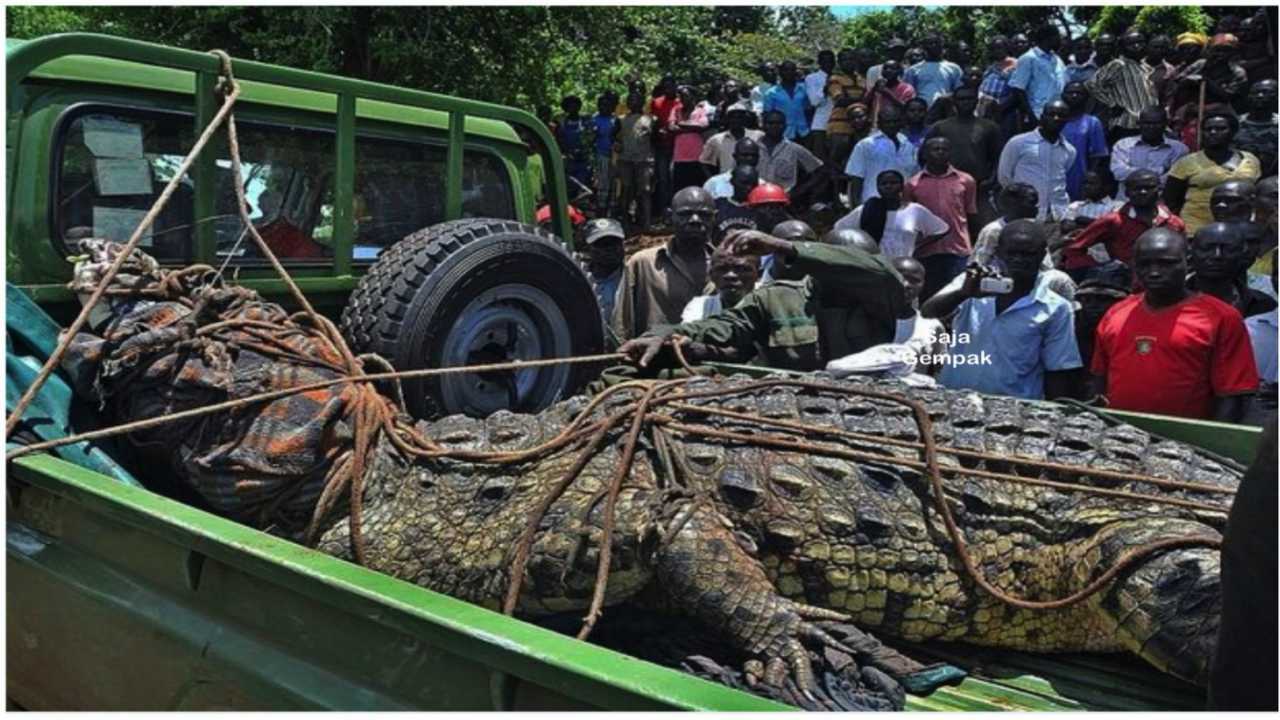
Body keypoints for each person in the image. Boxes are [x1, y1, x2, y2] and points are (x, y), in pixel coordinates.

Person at [617, 228, 907, 372]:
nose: (848, 278)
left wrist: (783, 246)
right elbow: (726, 326)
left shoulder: (882, 295)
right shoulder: (776, 296)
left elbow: (882, 273)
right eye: (839, 269)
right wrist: (668, 333)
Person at [1090, 227, 1258, 421]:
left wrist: (1215, 443)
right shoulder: (1116, 313)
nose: (1154, 272)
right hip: (1120, 438)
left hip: (1185, 442)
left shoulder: (1222, 317)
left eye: (1166, 263)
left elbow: (1232, 395)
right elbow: (1100, 378)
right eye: (1145, 264)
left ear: (1188, 261)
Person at [921, 219, 1082, 400]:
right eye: (1011, 253)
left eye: (1027, 254)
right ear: (998, 253)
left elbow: (1057, 370)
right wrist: (963, 294)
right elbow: (927, 312)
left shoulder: (1056, 308)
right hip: (954, 399)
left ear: (1041, 255)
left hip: (1015, 409)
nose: (1018, 260)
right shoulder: (970, 283)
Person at [611, 187, 716, 340]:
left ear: (715, 218)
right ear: (669, 217)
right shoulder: (643, 263)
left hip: (712, 359)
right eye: (685, 214)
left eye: (704, 215)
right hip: (654, 359)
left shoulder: (729, 268)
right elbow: (622, 324)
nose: (695, 220)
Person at [825, 256, 945, 383]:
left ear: (923, 285)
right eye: (900, 277)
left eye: (914, 281)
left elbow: (939, 366)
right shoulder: (861, 316)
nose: (906, 285)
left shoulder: (930, 325)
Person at [1062, 169, 1185, 282]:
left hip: (1166, 285)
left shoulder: (1174, 223)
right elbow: (1074, 249)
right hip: (1125, 286)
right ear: (1126, 192)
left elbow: (1183, 255)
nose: (1143, 192)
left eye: (1149, 188)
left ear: (1160, 190)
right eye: (1137, 188)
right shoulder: (1114, 221)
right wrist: (1099, 269)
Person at [1164, 104, 1263, 233]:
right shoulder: (1186, 163)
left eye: (1220, 128)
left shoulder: (1251, 160)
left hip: (1241, 229)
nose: (1213, 133)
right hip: (1196, 229)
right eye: (1208, 129)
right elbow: (1171, 200)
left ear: (1232, 131)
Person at [904, 137, 978, 296]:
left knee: (957, 295)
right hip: (926, 250)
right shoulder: (913, 184)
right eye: (935, 149)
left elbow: (970, 214)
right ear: (925, 154)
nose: (940, 153)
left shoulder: (966, 180)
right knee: (928, 295)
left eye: (944, 149)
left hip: (957, 247)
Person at [927, 85, 1003, 230]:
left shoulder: (989, 127)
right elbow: (925, 155)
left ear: (976, 102)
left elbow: (998, 157)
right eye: (961, 99)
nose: (965, 102)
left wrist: (992, 180)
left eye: (969, 99)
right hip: (946, 187)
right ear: (954, 102)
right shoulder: (940, 127)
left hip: (979, 188)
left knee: (980, 227)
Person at [834, 168, 949, 259]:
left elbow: (942, 229)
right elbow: (840, 228)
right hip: (876, 266)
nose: (889, 186)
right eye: (884, 184)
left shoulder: (915, 211)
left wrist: (917, 245)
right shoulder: (866, 209)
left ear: (902, 186)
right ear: (878, 188)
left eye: (893, 183)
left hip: (903, 265)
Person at [998, 100, 1077, 222]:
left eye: (1061, 116)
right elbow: (1004, 177)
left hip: (1057, 216)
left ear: (1067, 120)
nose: (1056, 118)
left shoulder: (1069, 150)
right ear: (1042, 117)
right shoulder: (1019, 143)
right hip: (1025, 215)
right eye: (1051, 114)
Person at [1188, 221, 1278, 319]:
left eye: (1228, 249)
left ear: (1242, 253)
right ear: (1192, 251)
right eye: (1207, 248)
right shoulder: (1171, 299)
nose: (1217, 255)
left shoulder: (1263, 305)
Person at [1086, 31, 1159, 141]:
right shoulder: (1118, 65)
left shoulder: (1144, 67)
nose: (1137, 46)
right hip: (1126, 125)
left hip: (1146, 126)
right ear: (1123, 47)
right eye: (1131, 44)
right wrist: (1112, 104)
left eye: (1140, 42)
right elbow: (1091, 84)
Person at [1110, 106, 1190, 201]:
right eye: (1146, 123)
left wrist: (1134, 174)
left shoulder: (1179, 149)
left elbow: (1172, 180)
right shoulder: (1123, 145)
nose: (1151, 127)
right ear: (1138, 124)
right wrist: (1160, 170)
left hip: (1160, 205)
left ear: (1166, 124)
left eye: (1156, 123)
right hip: (1125, 202)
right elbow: (1119, 173)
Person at [845, 105, 917, 206]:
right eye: (887, 122)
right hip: (872, 206)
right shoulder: (865, 145)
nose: (892, 125)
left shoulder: (908, 146)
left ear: (901, 123)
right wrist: (856, 209)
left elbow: (914, 178)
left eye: (895, 121)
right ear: (879, 124)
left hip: (902, 206)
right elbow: (856, 180)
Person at [680, 242, 761, 323]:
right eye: (722, 269)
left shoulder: (770, 303)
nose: (730, 276)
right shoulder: (699, 306)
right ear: (711, 275)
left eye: (741, 269)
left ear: (758, 274)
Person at [757, 109, 826, 200]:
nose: (775, 126)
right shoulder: (753, 147)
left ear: (785, 126)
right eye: (771, 123)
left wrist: (798, 192)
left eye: (779, 123)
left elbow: (820, 171)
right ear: (763, 125)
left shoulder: (795, 149)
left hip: (783, 200)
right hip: (756, 198)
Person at [1059, 81, 1110, 201]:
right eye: (1070, 92)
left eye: (1079, 93)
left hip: (1079, 178)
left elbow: (1098, 156)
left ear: (1087, 98)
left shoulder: (1092, 122)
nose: (1074, 96)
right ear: (1063, 96)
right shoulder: (1055, 120)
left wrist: (1089, 182)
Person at [1009, 24, 1067, 127]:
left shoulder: (1057, 60)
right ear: (1047, 38)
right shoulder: (1028, 58)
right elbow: (1018, 90)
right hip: (1037, 115)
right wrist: (1031, 116)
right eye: (1057, 36)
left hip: (1057, 116)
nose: (1060, 40)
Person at [972, 182, 1040, 268]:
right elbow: (979, 263)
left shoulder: (1034, 228)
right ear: (1014, 204)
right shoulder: (994, 230)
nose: (1038, 206)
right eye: (1032, 202)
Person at [1072, 278, 1131, 374]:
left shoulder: (1129, 324)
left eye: (1102, 300)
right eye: (1087, 300)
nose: (1093, 305)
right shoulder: (1072, 324)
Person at [617, 92, 655, 230]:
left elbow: (655, 140)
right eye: (630, 100)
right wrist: (617, 144)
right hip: (625, 159)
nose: (633, 103)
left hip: (644, 160)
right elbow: (614, 136)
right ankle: (625, 222)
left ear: (642, 102)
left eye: (636, 100)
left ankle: (647, 223)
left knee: (645, 191)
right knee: (626, 190)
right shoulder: (621, 119)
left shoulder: (650, 119)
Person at [581, 218, 626, 330]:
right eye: (603, 244)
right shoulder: (581, 282)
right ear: (588, 249)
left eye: (614, 243)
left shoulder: (635, 277)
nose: (610, 249)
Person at [255, 189, 325, 259]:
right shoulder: (256, 224)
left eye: (261, 202)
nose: (258, 205)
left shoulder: (289, 234)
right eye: (259, 203)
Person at [698, 102, 764, 175]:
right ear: (727, 119)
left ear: (745, 119)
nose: (736, 120)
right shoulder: (716, 140)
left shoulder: (758, 136)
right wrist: (713, 180)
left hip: (753, 181)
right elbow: (704, 162)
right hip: (726, 183)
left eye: (740, 117)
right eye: (733, 117)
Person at [977, 35, 1020, 141]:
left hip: (1005, 112)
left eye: (1000, 47)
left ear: (1007, 48)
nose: (997, 51)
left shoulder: (1016, 65)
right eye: (994, 48)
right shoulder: (991, 67)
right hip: (986, 110)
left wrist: (999, 107)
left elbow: (1017, 92)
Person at [903, 33, 963, 108]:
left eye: (937, 43)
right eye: (930, 43)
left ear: (942, 45)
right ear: (924, 47)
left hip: (945, 110)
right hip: (921, 112)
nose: (934, 46)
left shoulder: (954, 68)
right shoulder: (913, 70)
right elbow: (909, 92)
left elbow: (959, 91)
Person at [669, 85, 710, 193]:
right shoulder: (676, 110)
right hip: (679, 157)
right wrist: (692, 127)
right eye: (681, 96)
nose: (682, 99)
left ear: (693, 97)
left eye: (685, 96)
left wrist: (681, 124)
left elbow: (702, 127)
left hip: (696, 156)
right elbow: (671, 127)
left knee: (696, 186)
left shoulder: (700, 111)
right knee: (679, 188)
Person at [1234, 80, 1278, 177]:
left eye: (1266, 92)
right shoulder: (1234, 124)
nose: (1260, 96)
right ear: (1249, 96)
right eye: (1255, 93)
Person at [762, 61, 810, 142]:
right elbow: (767, 115)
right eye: (786, 70)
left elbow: (808, 109)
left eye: (792, 70)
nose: (789, 72)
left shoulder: (804, 89)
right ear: (780, 72)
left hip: (803, 132)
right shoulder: (771, 93)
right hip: (783, 134)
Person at [713, 164, 761, 244]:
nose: (749, 187)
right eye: (744, 183)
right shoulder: (717, 205)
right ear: (732, 181)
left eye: (753, 184)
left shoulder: (763, 208)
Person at [805, 50, 836, 162]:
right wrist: (825, 88)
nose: (828, 64)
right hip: (821, 123)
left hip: (838, 122)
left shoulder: (839, 77)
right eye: (825, 61)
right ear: (819, 62)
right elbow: (814, 101)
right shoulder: (811, 78)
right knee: (819, 160)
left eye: (831, 61)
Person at [555, 95, 592, 188]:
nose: (573, 108)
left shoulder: (585, 120)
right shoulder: (561, 122)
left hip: (583, 159)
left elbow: (591, 138)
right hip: (568, 160)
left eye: (575, 105)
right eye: (570, 106)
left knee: (583, 186)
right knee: (568, 185)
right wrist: (566, 152)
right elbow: (558, 139)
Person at [1144, 34, 1180, 110]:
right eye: (1155, 47)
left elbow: (1169, 97)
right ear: (1148, 47)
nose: (1158, 50)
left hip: (1155, 114)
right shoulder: (1135, 66)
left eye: (1162, 48)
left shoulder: (1169, 71)